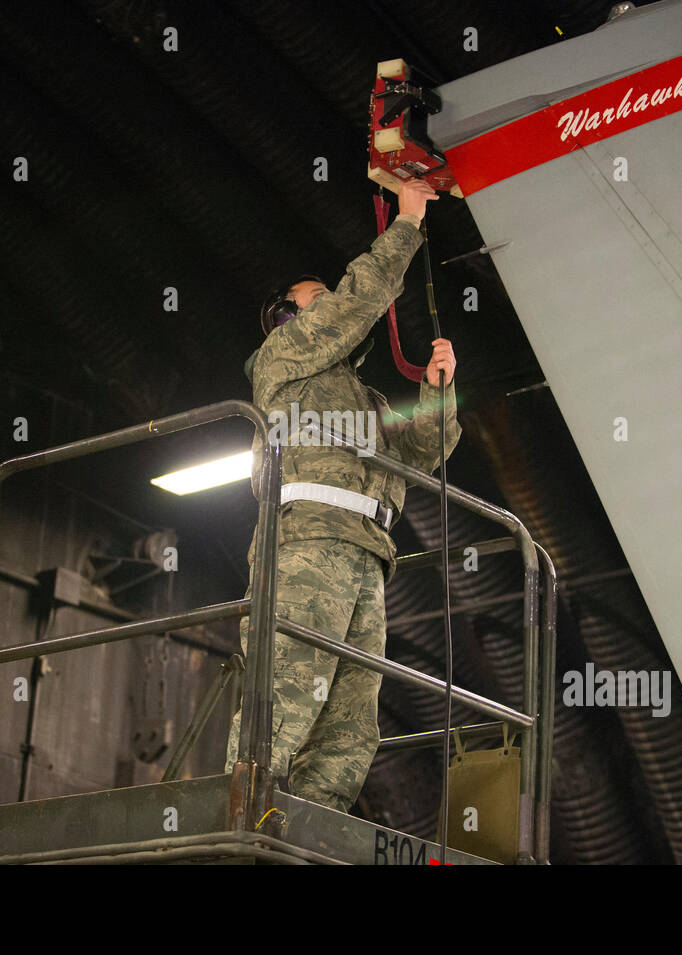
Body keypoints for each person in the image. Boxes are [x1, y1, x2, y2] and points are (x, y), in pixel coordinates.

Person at [223, 178, 461, 814]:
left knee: (352, 722)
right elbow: (356, 304)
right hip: (307, 541)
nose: (332, 308)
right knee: (287, 691)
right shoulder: (284, 360)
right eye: (317, 302)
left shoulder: (367, 401)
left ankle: (310, 826)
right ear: (286, 319)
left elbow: (423, 451)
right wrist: (406, 225)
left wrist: (438, 392)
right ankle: (243, 816)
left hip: (365, 554)